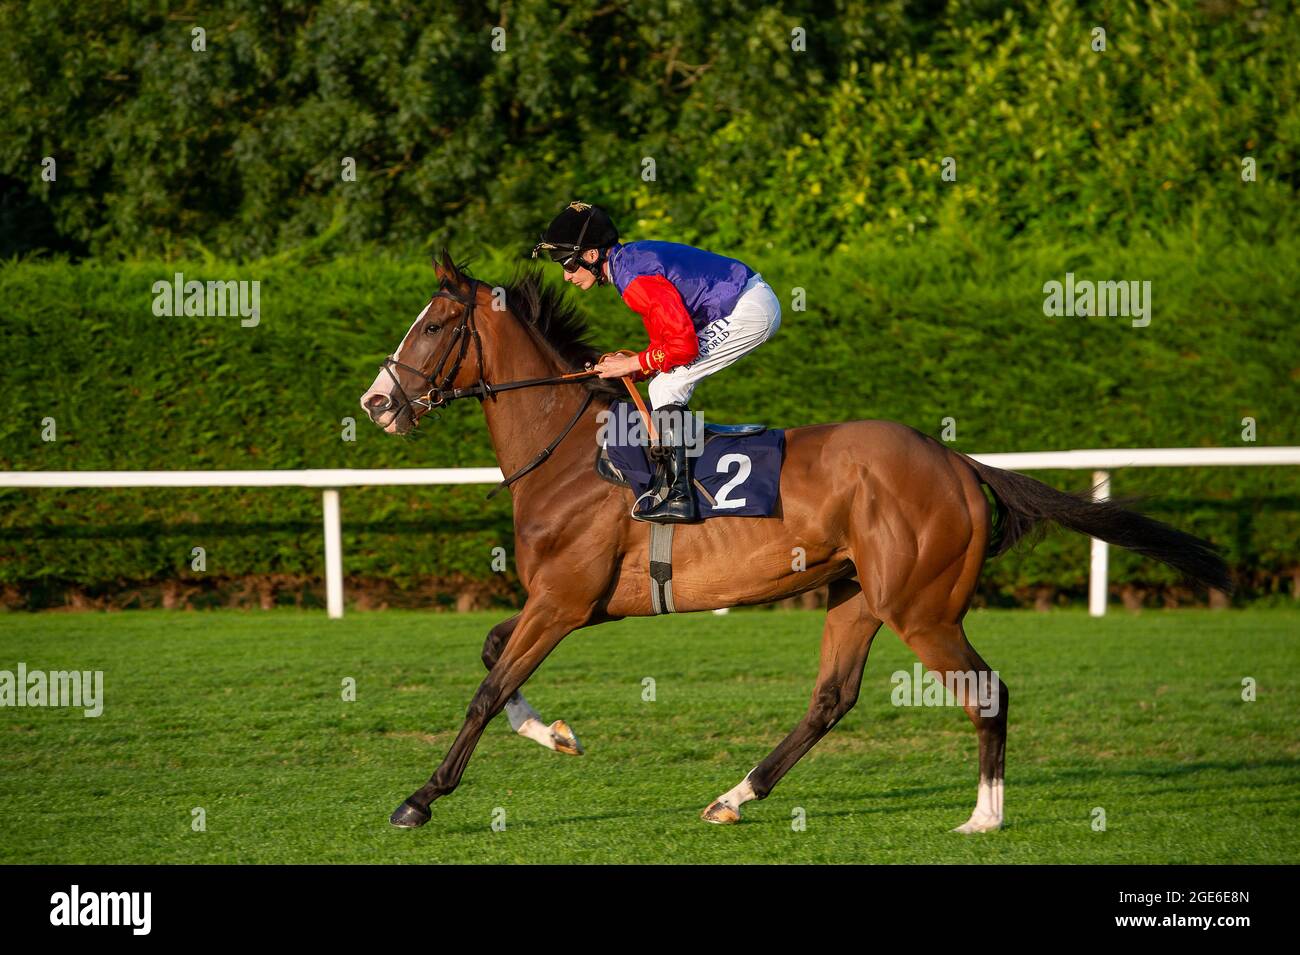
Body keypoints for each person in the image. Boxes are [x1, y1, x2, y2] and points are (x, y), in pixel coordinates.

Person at [531, 201, 781, 523]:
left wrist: (634, 364)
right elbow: (668, 345)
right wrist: (636, 364)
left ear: (591, 255)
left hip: (747, 310)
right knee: (665, 381)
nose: (566, 276)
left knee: (667, 386)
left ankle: (679, 497)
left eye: (567, 263)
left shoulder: (634, 279)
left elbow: (683, 346)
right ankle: (678, 484)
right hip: (744, 301)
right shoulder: (629, 264)